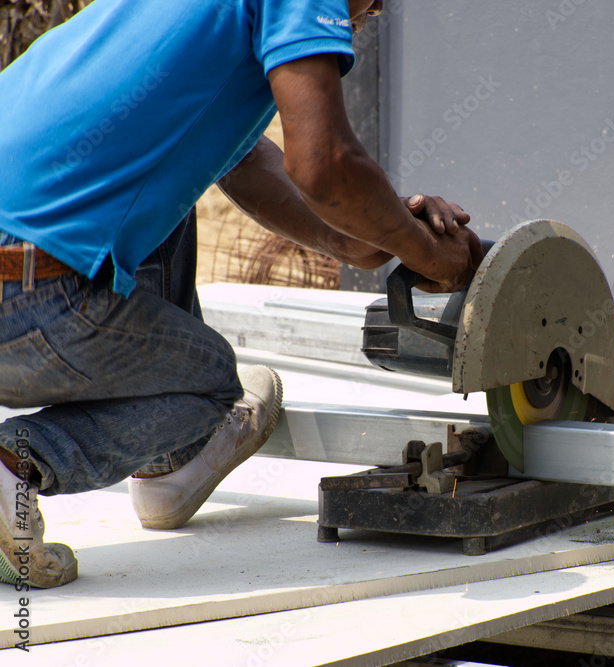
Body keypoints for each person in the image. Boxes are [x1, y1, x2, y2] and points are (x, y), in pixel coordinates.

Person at [0, 0, 483, 589]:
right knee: (208, 385)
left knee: (166, 185)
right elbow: (325, 166)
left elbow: (248, 163)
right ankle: (15, 467)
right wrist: (429, 254)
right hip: (23, 290)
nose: (377, 9)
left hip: (20, 268)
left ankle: (168, 463)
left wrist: (374, 235)